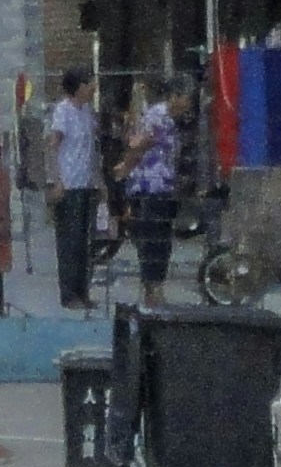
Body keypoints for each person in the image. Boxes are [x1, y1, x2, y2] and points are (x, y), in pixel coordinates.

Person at [118, 79, 187, 305]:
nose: (188, 103)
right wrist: (126, 166)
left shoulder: (169, 120)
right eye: (185, 97)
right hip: (150, 187)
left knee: (162, 240)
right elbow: (140, 144)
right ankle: (152, 289)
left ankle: (155, 288)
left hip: (163, 187)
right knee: (154, 240)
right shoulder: (158, 116)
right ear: (174, 96)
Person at [47, 69, 104, 310]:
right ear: (78, 86)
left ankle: (83, 290)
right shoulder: (63, 111)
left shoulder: (87, 112)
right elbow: (53, 147)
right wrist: (56, 180)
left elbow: (92, 149)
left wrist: (98, 180)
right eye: (89, 84)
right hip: (68, 183)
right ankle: (69, 294)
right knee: (70, 242)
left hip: (86, 182)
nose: (92, 88)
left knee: (86, 242)